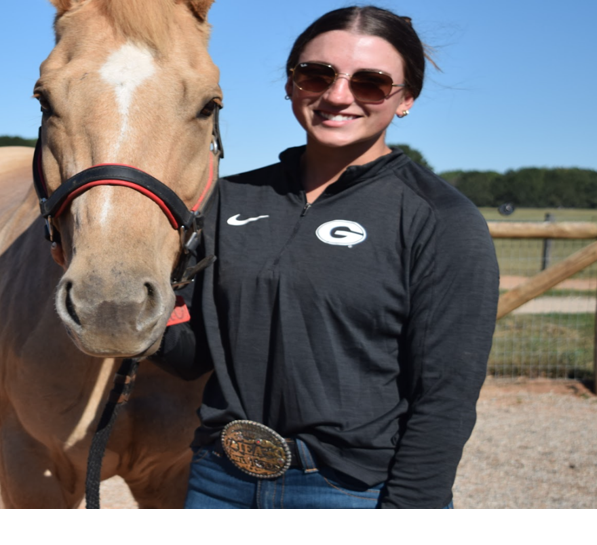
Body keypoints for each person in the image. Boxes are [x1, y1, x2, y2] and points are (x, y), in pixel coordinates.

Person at [151, 5, 499, 509]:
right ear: (291, 84)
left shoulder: (440, 219)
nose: (338, 96)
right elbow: (193, 355)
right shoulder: (227, 199)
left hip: (351, 490)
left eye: (371, 83)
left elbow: (444, 398)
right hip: (218, 481)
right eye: (317, 75)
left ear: (406, 100)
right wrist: (136, 307)